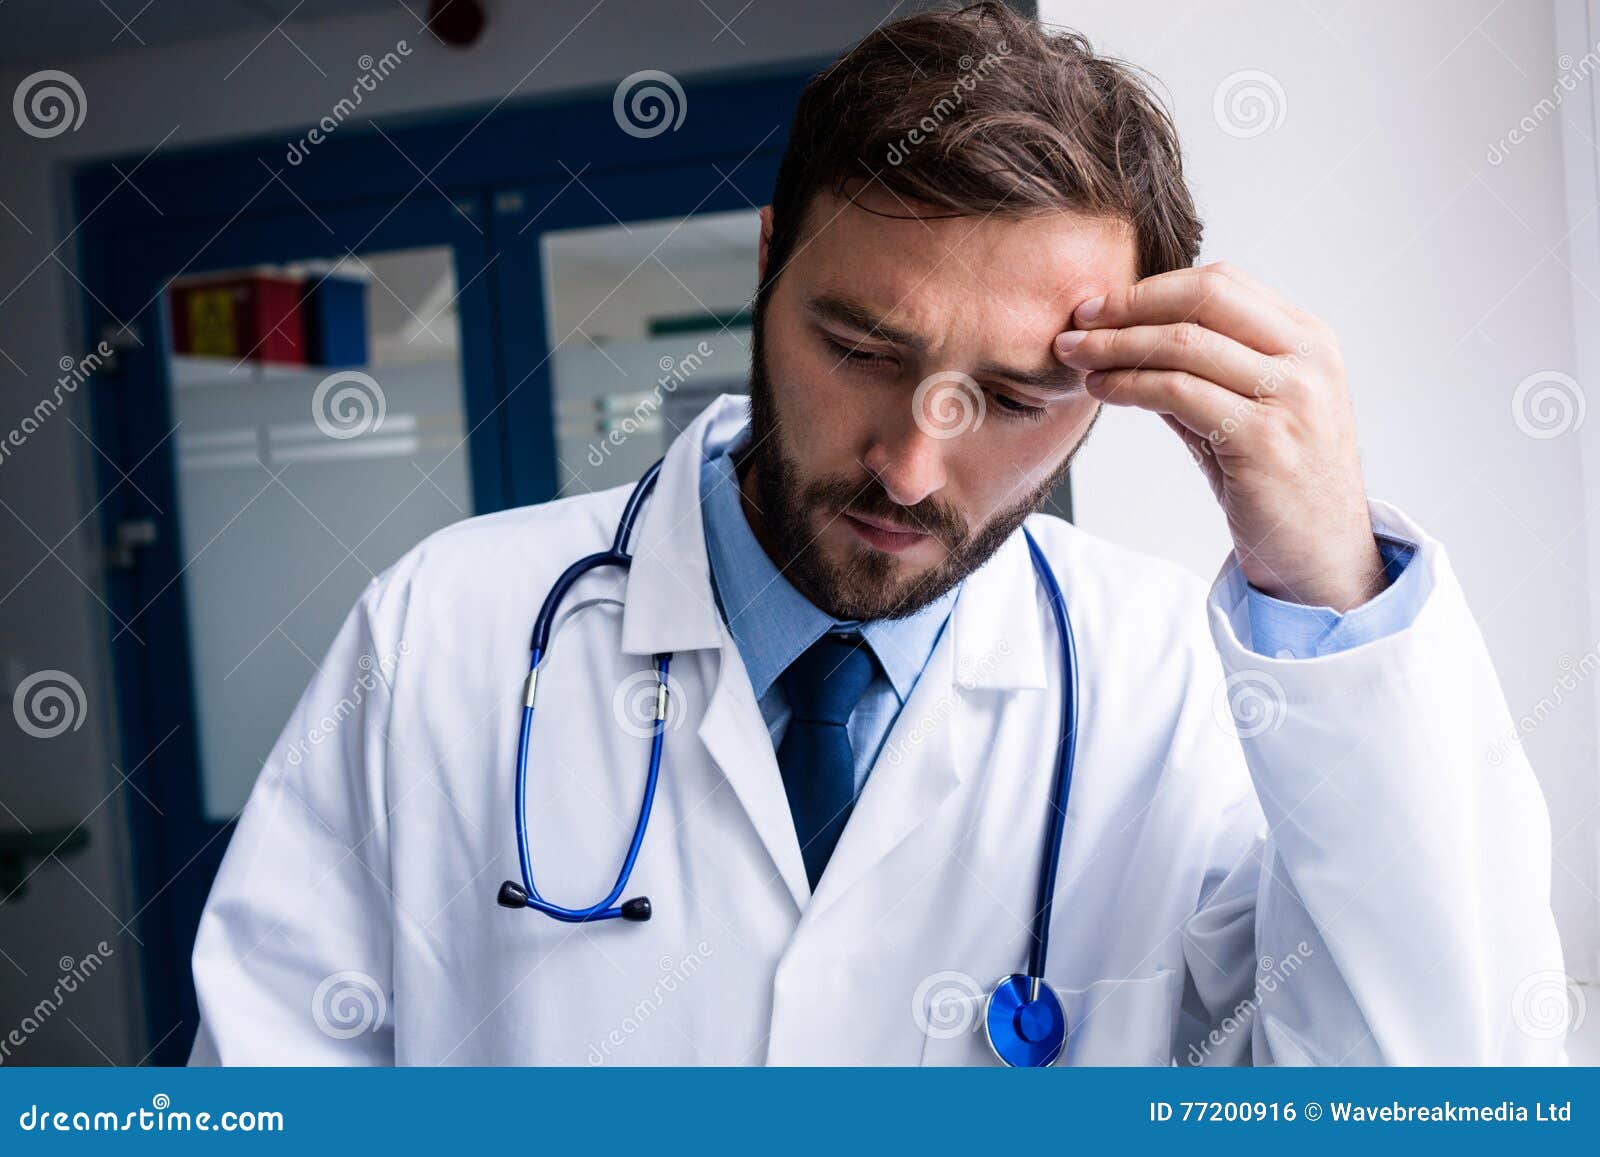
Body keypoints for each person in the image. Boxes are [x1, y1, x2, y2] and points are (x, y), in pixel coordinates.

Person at [188, 2, 1565, 1065]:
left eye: (1017, 397)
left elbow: (1434, 1078)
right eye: (856, 346)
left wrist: (1324, 576)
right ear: (773, 256)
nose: (911, 466)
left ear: (1123, 384)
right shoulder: (446, 630)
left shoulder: (1170, 684)